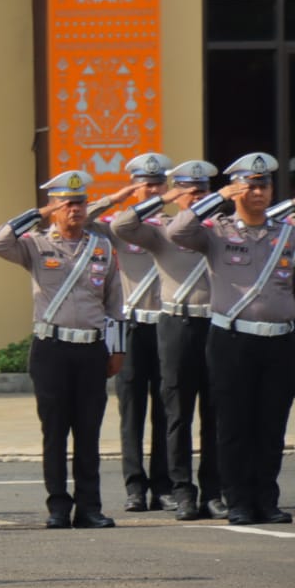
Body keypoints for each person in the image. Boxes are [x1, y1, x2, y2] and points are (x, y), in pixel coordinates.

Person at [0, 169, 125, 530]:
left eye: (79, 202)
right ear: (54, 207)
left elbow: (115, 303)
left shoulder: (102, 247)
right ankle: (58, 508)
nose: (75, 210)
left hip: (91, 350)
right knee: (55, 432)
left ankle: (90, 507)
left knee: (88, 432)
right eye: (66, 204)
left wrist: (117, 349)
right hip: (51, 349)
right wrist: (40, 214)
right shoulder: (35, 244)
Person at [167, 153, 295, 526]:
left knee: (271, 426)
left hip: (279, 341)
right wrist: (217, 196)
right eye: (251, 185)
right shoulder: (217, 231)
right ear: (238, 189)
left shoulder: (285, 233)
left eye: (264, 185)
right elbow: (177, 231)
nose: (258, 192)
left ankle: (266, 501)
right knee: (234, 425)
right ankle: (237, 500)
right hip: (232, 341)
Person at [109, 160, 228, 521]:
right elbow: (118, 223)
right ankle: (147, 487)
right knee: (142, 412)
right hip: (150, 325)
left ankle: (196, 489)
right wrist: (140, 198)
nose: (193, 198)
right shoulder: (155, 229)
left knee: (199, 413)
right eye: (186, 191)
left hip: (204, 324)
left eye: (200, 192)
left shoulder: (219, 231)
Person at [85, 153, 175, 513]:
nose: (152, 190)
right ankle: (135, 486)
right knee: (131, 408)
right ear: (135, 186)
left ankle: (164, 486)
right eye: (145, 184)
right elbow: (83, 217)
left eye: (157, 184)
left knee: (167, 408)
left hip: (167, 321)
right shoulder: (115, 225)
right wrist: (118, 197)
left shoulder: (176, 226)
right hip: (129, 324)